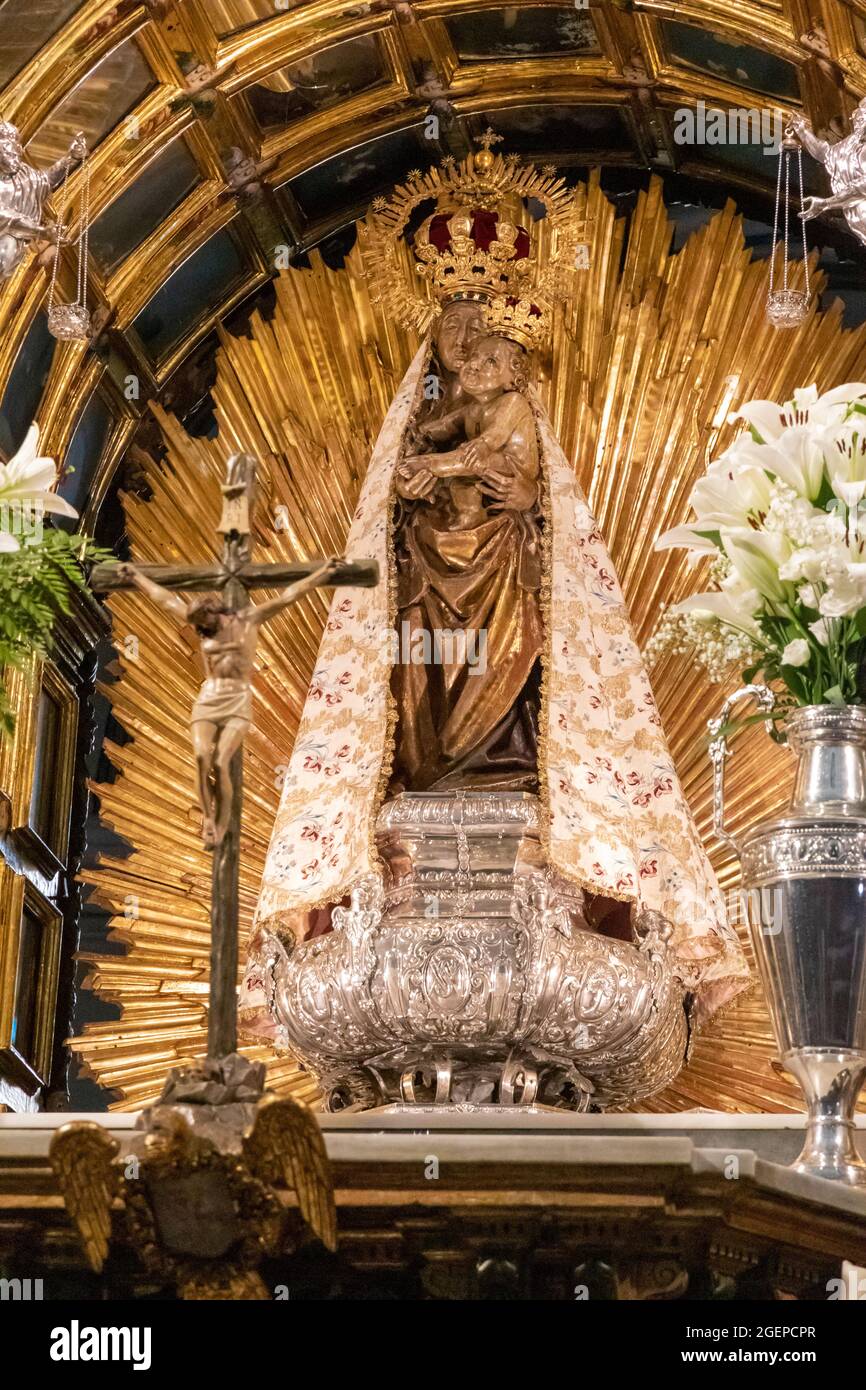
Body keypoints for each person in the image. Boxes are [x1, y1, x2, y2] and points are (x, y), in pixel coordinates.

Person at [117, 558, 340, 848]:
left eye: (206, 625)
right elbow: (165, 599)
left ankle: (220, 826)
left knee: (221, 762)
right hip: (209, 698)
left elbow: (288, 596)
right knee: (201, 761)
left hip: (235, 700)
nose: (202, 632)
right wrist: (136, 577)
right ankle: (209, 821)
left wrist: (323, 572)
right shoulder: (202, 623)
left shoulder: (246, 621)